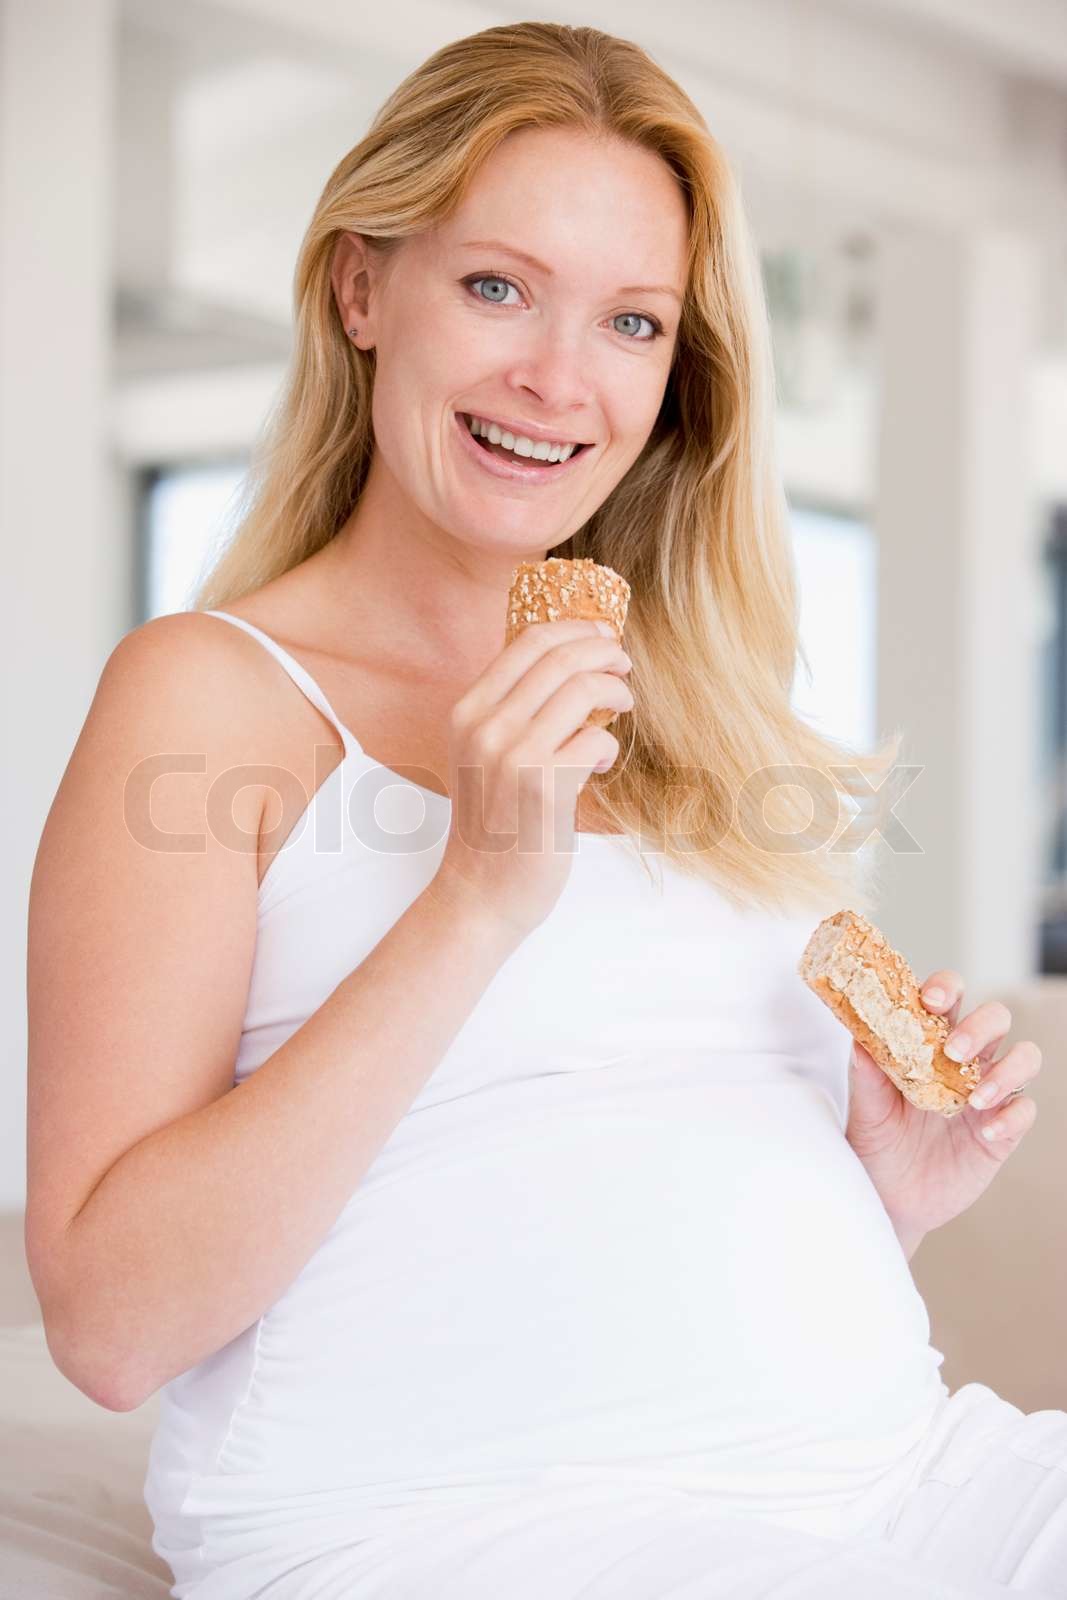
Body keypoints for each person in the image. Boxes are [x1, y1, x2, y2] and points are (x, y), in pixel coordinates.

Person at [25, 20, 1060, 1600]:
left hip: (902, 1484)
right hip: (468, 1533)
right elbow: (106, 1325)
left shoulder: (696, 705)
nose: (558, 379)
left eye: (633, 322)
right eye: (496, 286)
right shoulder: (210, 695)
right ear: (363, 290)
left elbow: (594, 1171)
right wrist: (473, 899)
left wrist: (877, 1194)